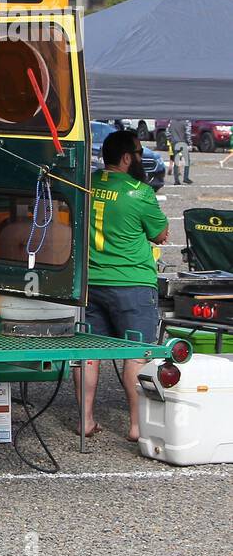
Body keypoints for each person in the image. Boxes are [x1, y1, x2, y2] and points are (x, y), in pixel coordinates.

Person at [77, 129, 169, 442]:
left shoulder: (86, 184)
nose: (142, 159)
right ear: (128, 157)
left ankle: (85, 420)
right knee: (136, 353)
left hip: (90, 282)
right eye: (140, 153)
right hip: (132, 283)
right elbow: (160, 234)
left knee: (88, 353)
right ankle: (136, 426)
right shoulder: (139, 191)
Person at [170, 119, 193, 186]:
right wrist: (190, 143)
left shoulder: (172, 121)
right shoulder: (186, 121)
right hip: (183, 142)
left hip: (174, 142)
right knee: (187, 161)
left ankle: (176, 180)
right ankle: (186, 178)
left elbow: (168, 132)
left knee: (176, 162)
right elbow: (188, 134)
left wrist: (170, 140)